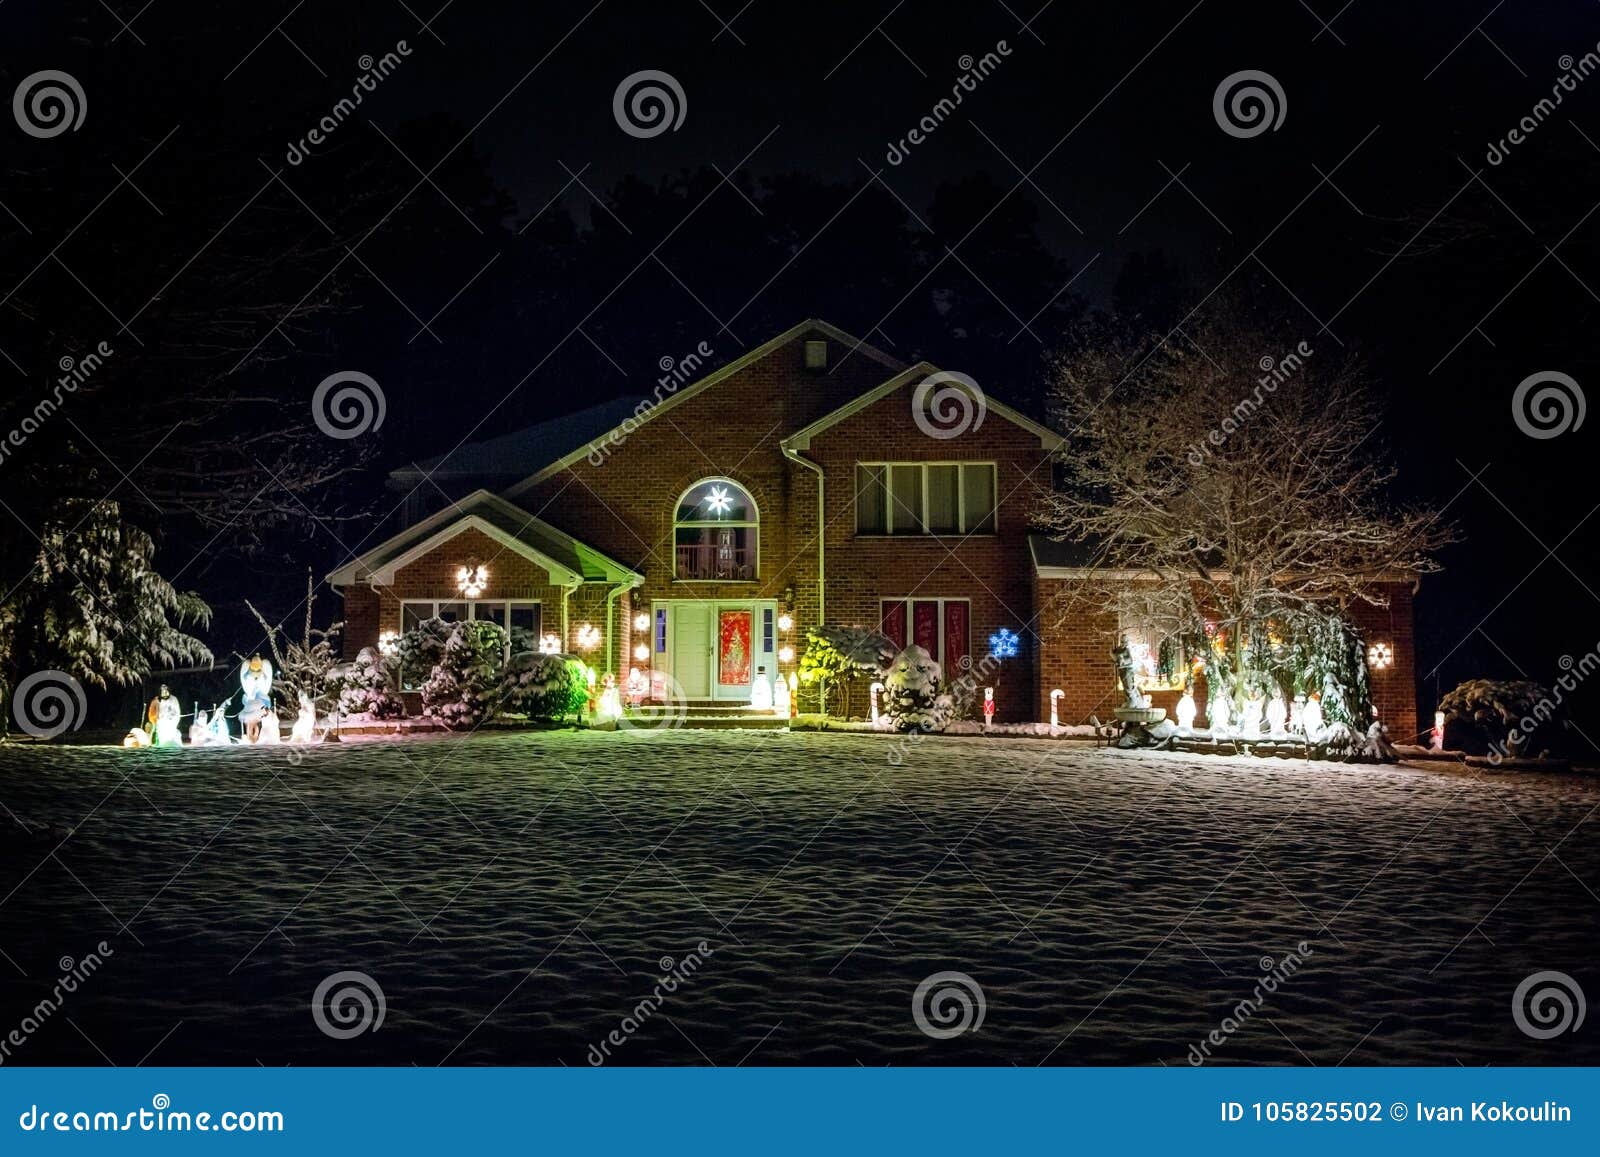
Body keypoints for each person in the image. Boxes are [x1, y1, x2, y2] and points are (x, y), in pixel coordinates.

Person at [239, 654, 274, 743]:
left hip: (260, 702)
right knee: (250, 721)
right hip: (251, 701)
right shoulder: (248, 676)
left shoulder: (263, 676)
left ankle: (257, 736)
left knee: (257, 719)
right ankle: (250, 737)